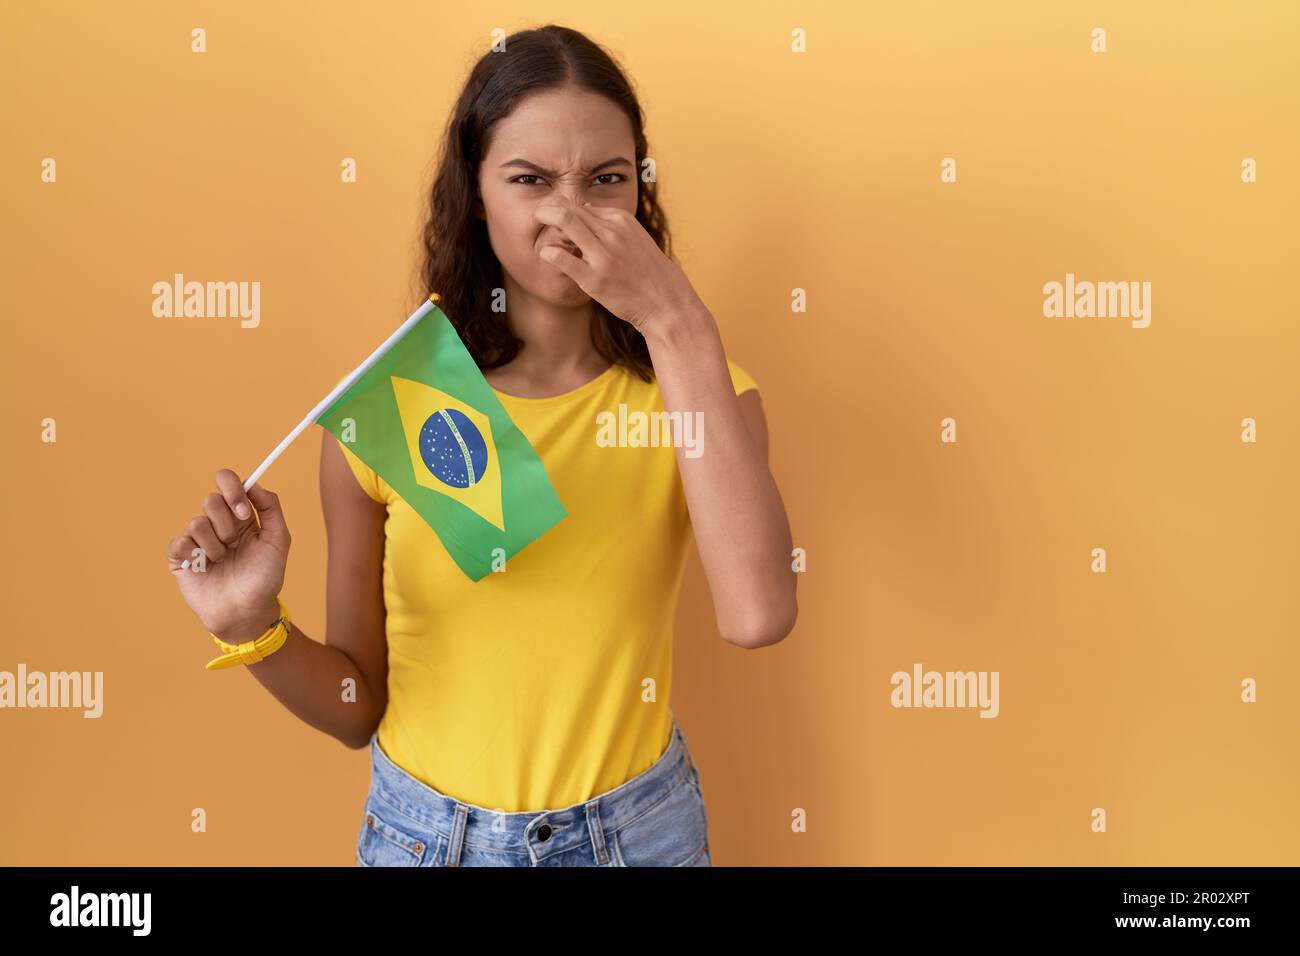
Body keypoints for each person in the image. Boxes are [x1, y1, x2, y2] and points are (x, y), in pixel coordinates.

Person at [166, 23, 797, 866]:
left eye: (606, 180)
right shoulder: (394, 407)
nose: (569, 212)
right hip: (426, 840)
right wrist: (253, 627)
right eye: (530, 179)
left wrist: (676, 321)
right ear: (475, 195)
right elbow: (359, 705)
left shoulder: (700, 395)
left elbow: (759, 615)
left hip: (636, 838)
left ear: (639, 195)